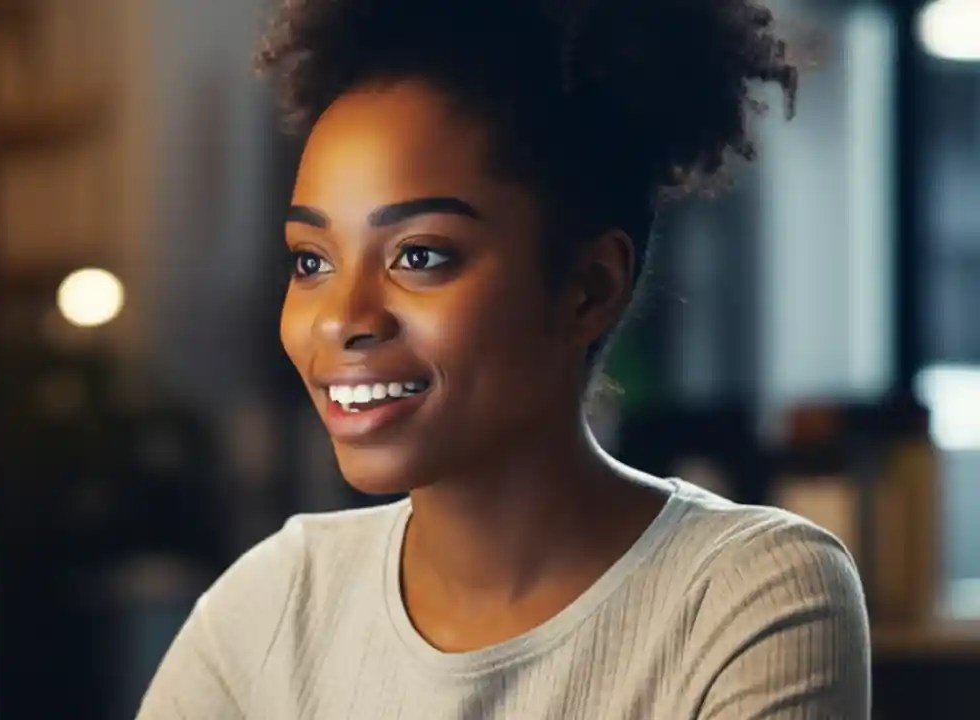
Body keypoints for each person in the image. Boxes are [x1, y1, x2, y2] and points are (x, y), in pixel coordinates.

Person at [139, 0, 870, 717]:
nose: (343, 320)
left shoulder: (749, 596)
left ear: (589, 288)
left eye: (419, 255)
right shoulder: (269, 608)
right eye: (311, 262)